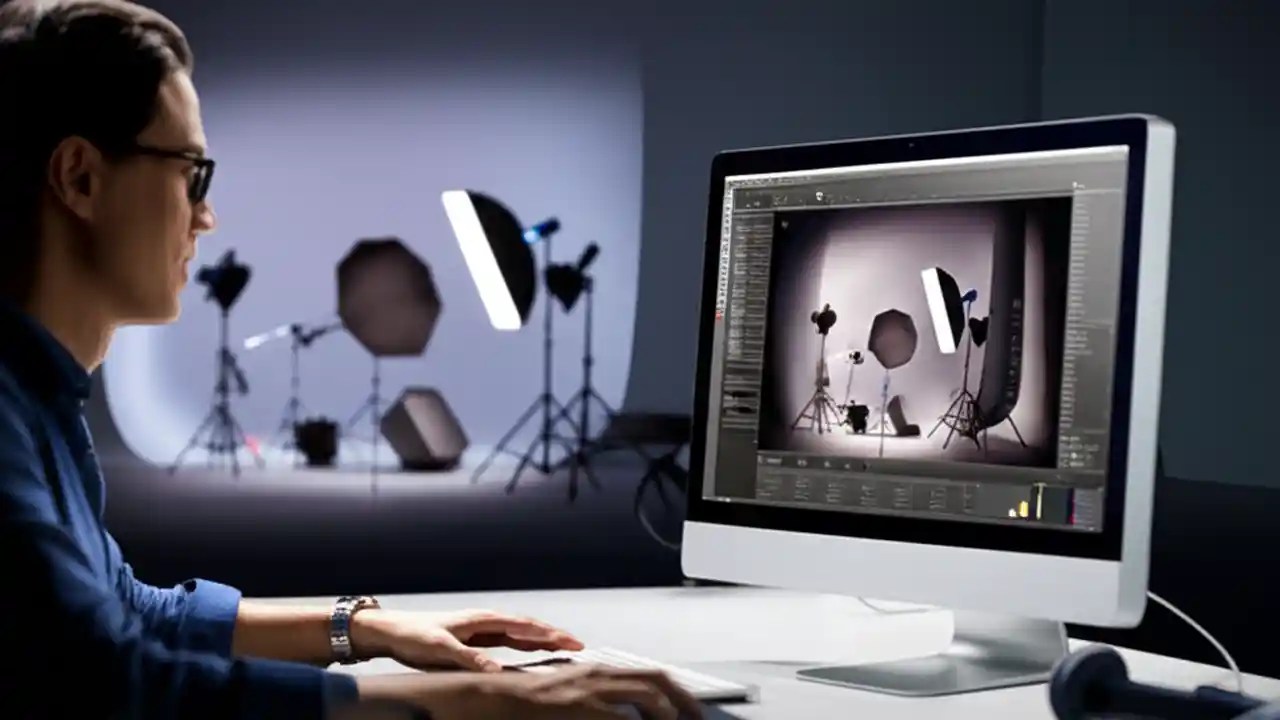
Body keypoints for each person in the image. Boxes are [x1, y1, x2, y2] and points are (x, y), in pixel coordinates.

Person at [0, 1, 702, 718]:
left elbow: (128, 613)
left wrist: (365, 628)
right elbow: (113, 684)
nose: (206, 216)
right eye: (193, 174)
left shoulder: (38, 397)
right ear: (81, 178)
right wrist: (472, 700)